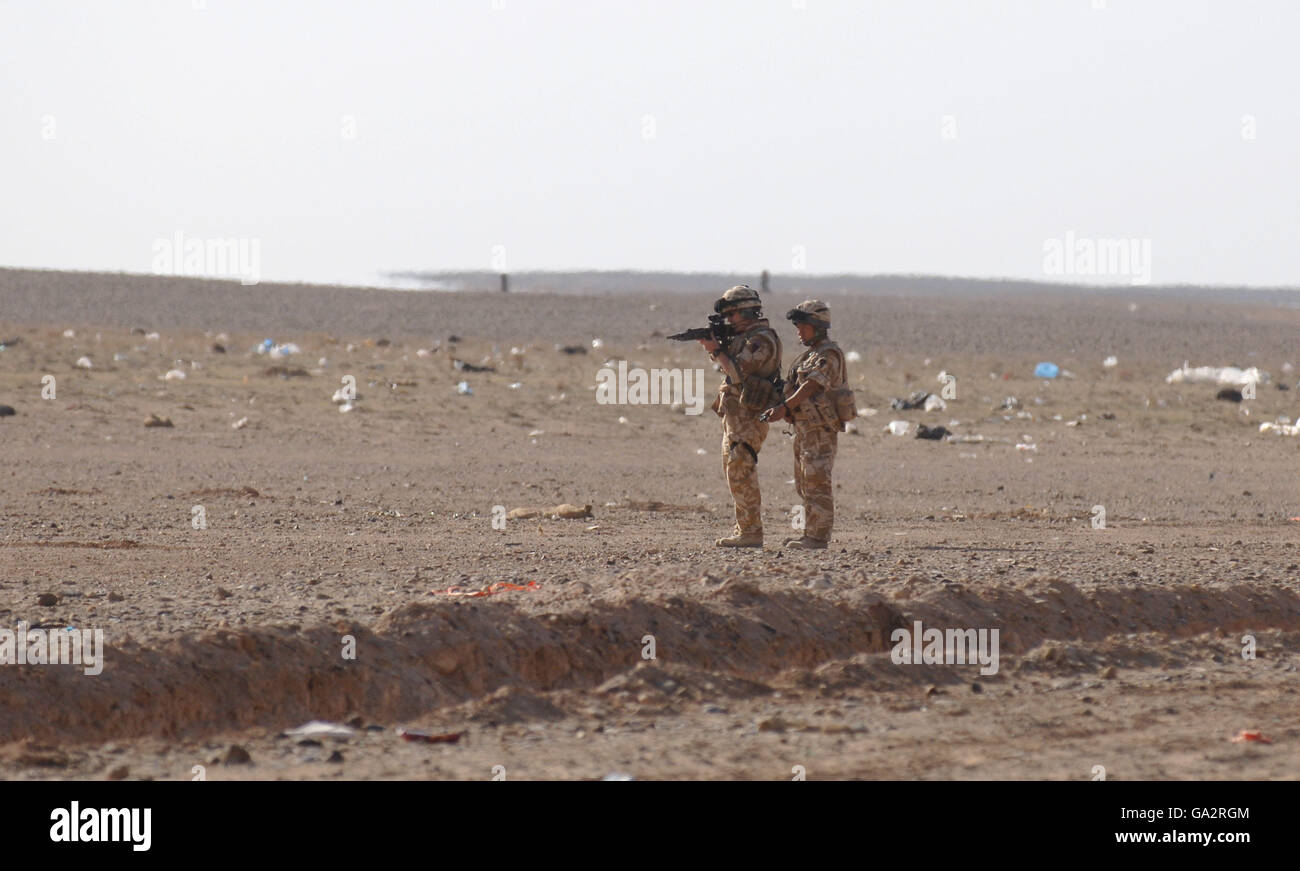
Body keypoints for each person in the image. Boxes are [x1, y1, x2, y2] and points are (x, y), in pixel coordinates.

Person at [699, 285, 782, 547]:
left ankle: (751, 533)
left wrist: (716, 350)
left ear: (746, 312)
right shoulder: (746, 338)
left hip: (750, 415)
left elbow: (737, 372)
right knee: (734, 469)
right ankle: (745, 529)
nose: (729, 321)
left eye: (732, 315)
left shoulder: (761, 340)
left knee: (741, 468)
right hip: (736, 418)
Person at [761, 299, 846, 550]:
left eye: (803, 326)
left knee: (817, 481)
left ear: (817, 326)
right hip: (804, 428)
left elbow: (811, 386)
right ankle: (810, 533)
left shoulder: (829, 354)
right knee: (804, 482)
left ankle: (817, 538)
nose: (799, 332)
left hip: (820, 430)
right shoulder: (808, 356)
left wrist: (785, 407)